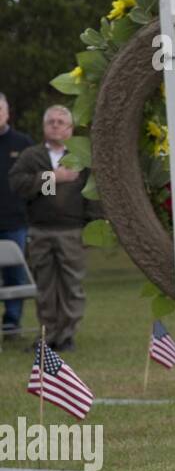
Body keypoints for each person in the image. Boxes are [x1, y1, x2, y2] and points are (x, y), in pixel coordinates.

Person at [8, 105, 99, 351]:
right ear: (44, 127)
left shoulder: (82, 157)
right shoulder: (32, 155)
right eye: (51, 121)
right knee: (45, 287)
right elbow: (17, 183)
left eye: (62, 121)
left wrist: (91, 229)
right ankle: (48, 336)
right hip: (40, 231)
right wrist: (51, 177)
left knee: (71, 286)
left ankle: (67, 335)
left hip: (72, 231)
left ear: (71, 128)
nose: (56, 125)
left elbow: (94, 195)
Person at [0, 93, 35, 335]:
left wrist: (46, 204)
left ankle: (12, 321)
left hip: (15, 222)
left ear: (7, 113)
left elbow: (42, 179)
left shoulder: (23, 143)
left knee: (15, 274)